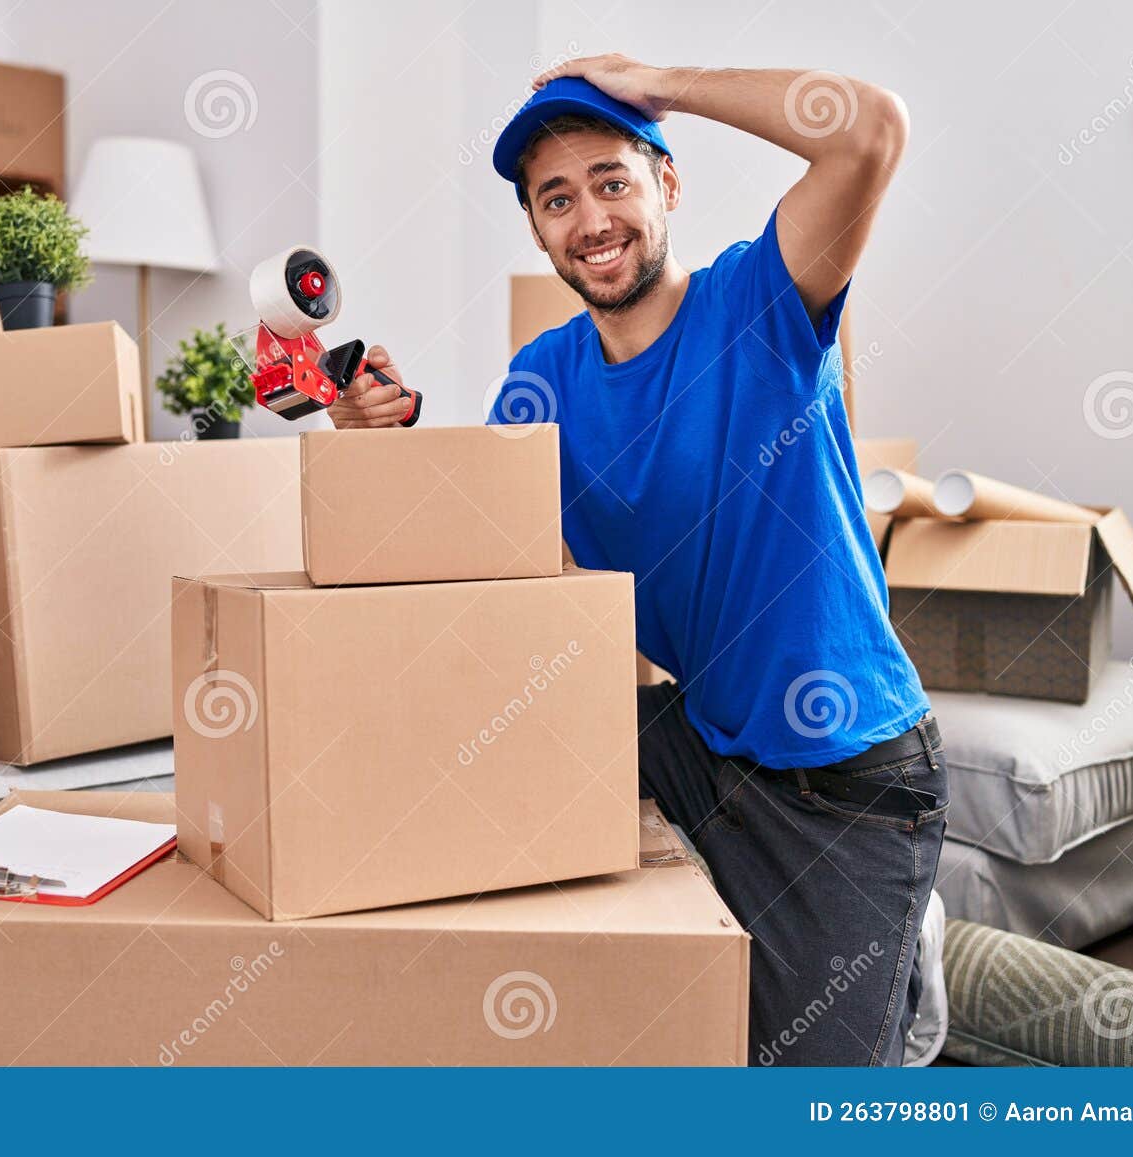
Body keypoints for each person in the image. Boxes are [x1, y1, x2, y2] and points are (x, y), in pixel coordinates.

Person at [325, 55, 947, 1066]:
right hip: (702, 743)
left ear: (668, 183)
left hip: (846, 776)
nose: (590, 219)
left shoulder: (760, 301)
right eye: (556, 199)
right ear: (538, 231)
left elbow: (870, 128)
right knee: (476, 737)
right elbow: (473, 562)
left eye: (612, 180)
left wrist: (661, 83)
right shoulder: (543, 378)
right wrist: (376, 435)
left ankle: (903, 943)